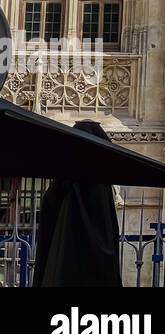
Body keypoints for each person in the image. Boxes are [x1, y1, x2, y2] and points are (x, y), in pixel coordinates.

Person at [32, 121, 123, 288]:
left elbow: (48, 207)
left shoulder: (67, 172)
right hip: (98, 265)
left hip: (64, 259)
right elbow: (109, 229)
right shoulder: (102, 177)